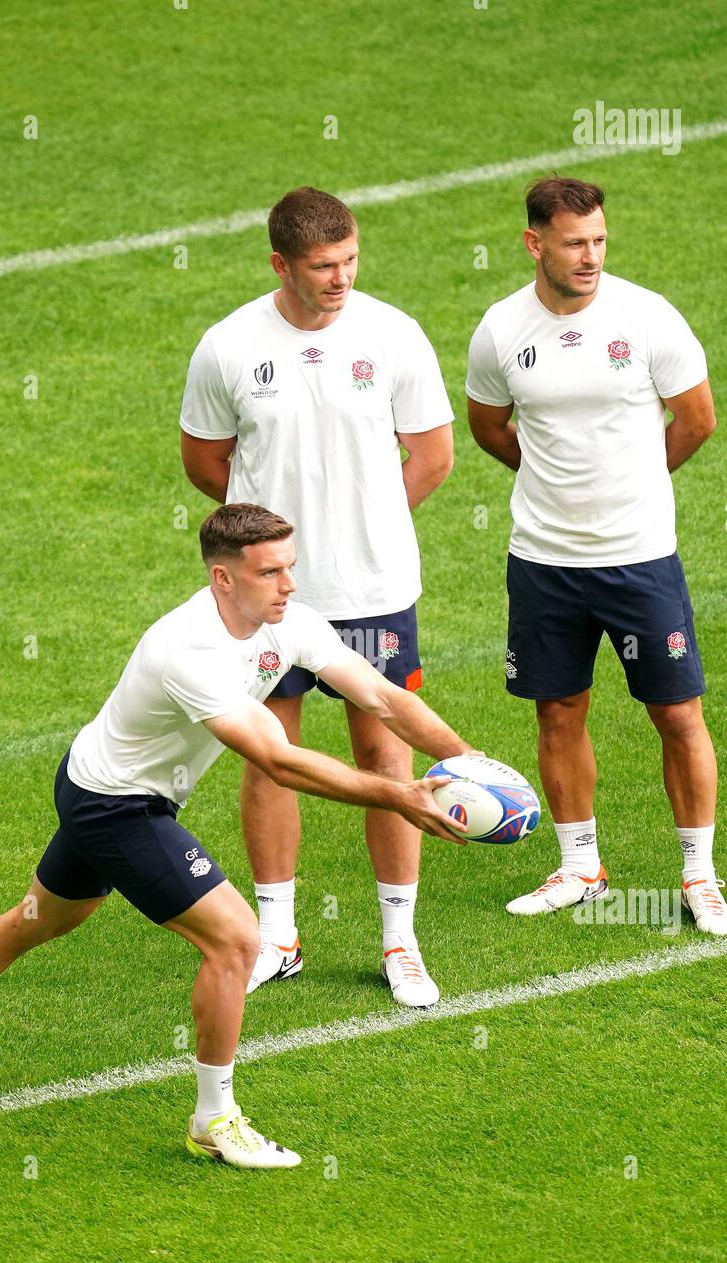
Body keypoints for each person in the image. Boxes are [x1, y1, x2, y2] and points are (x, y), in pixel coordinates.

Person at [0, 504, 477, 1168]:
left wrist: (466, 761)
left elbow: (384, 698)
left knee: (36, 919)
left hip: (93, 783)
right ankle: (214, 1121)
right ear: (224, 578)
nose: (288, 585)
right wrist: (399, 794)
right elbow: (276, 761)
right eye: (269, 572)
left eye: (290, 568)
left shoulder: (292, 624)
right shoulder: (187, 648)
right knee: (236, 939)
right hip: (116, 806)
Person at [180, 186, 455, 1006]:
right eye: (322, 266)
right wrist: (272, 557)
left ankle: (400, 941)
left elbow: (432, 456)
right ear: (280, 264)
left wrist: (361, 523)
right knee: (273, 758)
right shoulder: (228, 346)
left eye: (350, 260)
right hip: (268, 602)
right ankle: (277, 936)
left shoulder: (393, 333)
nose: (341, 278)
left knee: (385, 754)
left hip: (373, 589)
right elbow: (206, 463)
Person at [466, 176, 727, 937]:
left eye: (599, 241)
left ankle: (699, 875)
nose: (590, 257)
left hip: (640, 557)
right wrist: (552, 484)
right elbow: (489, 426)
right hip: (544, 561)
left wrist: (637, 487)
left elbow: (698, 419)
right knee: (558, 710)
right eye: (574, 242)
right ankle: (581, 866)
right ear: (535, 243)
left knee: (677, 712)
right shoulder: (499, 330)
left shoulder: (647, 318)